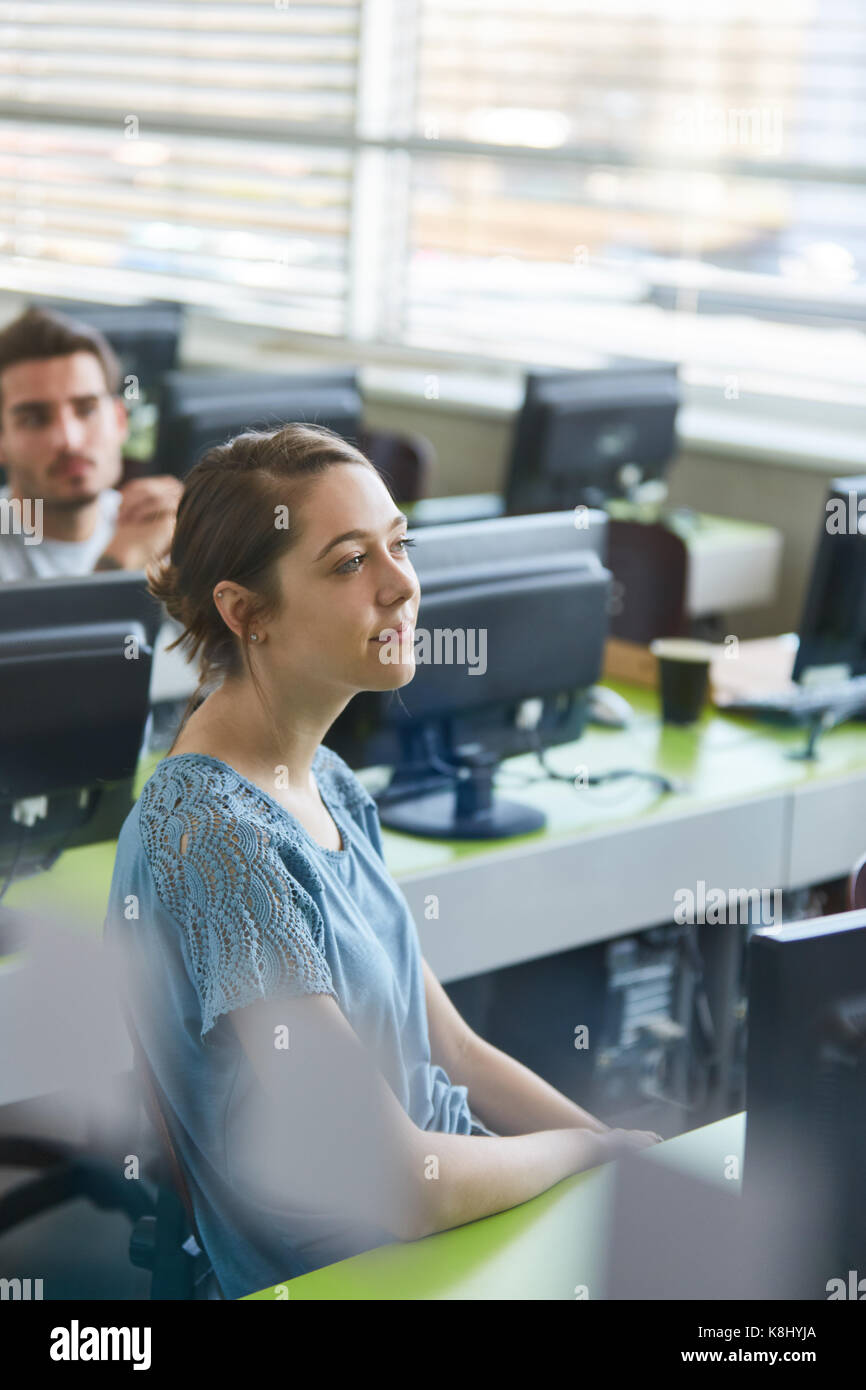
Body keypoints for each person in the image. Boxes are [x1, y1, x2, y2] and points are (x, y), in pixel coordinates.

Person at [103, 423, 660, 1300]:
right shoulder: (212, 839)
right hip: (359, 1275)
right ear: (244, 612)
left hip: (456, 1226)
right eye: (348, 563)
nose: (402, 586)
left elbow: (456, 1051)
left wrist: (633, 1164)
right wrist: (589, 1151)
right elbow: (391, 1182)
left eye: (398, 545)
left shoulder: (324, 778)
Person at [0, 306, 182, 581]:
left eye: (87, 410)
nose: (70, 441)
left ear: (120, 421)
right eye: (35, 419)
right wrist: (118, 566)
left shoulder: (155, 522)